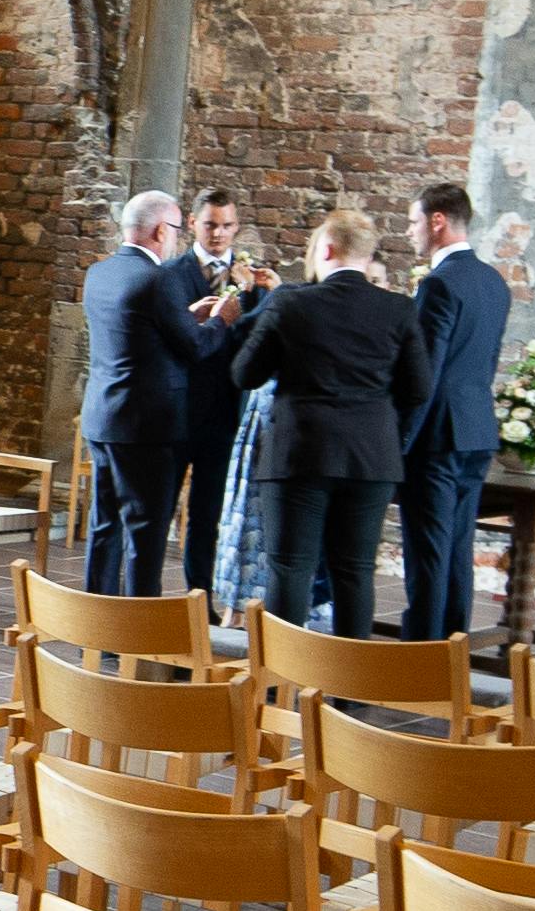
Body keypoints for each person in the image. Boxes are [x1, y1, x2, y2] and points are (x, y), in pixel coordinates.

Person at [226, 206, 426, 633]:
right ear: (367, 256)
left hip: (300, 452)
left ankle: (280, 682)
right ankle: (346, 692)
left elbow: (246, 373)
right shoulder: (399, 310)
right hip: (370, 457)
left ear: (327, 248)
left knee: (290, 568)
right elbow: (418, 390)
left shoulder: (292, 303)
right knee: (354, 571)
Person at [74, 189, 224, 598]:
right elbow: (196, 348)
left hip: (103, 416)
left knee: (105, 526)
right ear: (161, 230)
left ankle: (98, 627)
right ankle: (139, 637)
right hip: (147, 425)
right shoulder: (160, 279)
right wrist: (222, 320)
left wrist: (185, 317)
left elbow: (137, 331)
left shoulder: (100, 272)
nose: (175, 238)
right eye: (175, 228)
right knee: (146, 530)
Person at [404, 180, 513, 643]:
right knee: (457, 546)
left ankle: (422, 658)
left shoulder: (439, 284)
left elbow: (423, 374)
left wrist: (399, 441)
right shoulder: (494, 281)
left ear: (437, 222)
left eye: (412, 222)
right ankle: (453, 645)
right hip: (475, 429)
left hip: (437, 435)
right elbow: (486, 366)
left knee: (428, 550)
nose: (408, 232)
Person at [172, 185, 258, 605]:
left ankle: (199, 605)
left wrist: (259, 296)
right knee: (160, 509)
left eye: (226, 226)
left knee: (207, 516)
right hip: (179, 406)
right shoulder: (172, 273)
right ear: (193, 223)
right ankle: (142, 606)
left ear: (236, 227)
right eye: (210, 224)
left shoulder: (253, 282)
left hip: (224, 411)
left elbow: (259, 339)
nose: (218, 234)